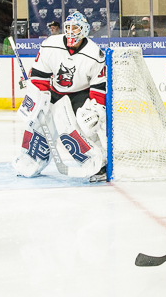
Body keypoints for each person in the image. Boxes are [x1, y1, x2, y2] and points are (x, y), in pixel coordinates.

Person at [14, 11, 108, 182]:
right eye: (68, 27)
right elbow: (39, 75)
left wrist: (95, 110)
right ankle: (31, 161)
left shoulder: (95, 54)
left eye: (76, 28)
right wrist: (38, 99)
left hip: (80, 94)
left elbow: (99, 88)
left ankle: (98, 164)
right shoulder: (51, 44)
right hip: (54, 91)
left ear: (85, 30)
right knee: (39, 125)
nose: (71, 31)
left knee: (81, 125)